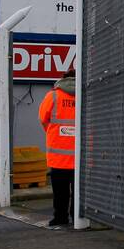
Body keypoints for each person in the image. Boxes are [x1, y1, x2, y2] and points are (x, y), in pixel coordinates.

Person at [38, 65, 77, 228]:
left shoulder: (53, 96)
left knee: (60, 192)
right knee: (79, 191)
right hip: (81, 154)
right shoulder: (86, 94)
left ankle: (60, 218)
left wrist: (53, 133)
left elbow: (43, 119)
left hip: (58, 155)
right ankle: (78, 217)